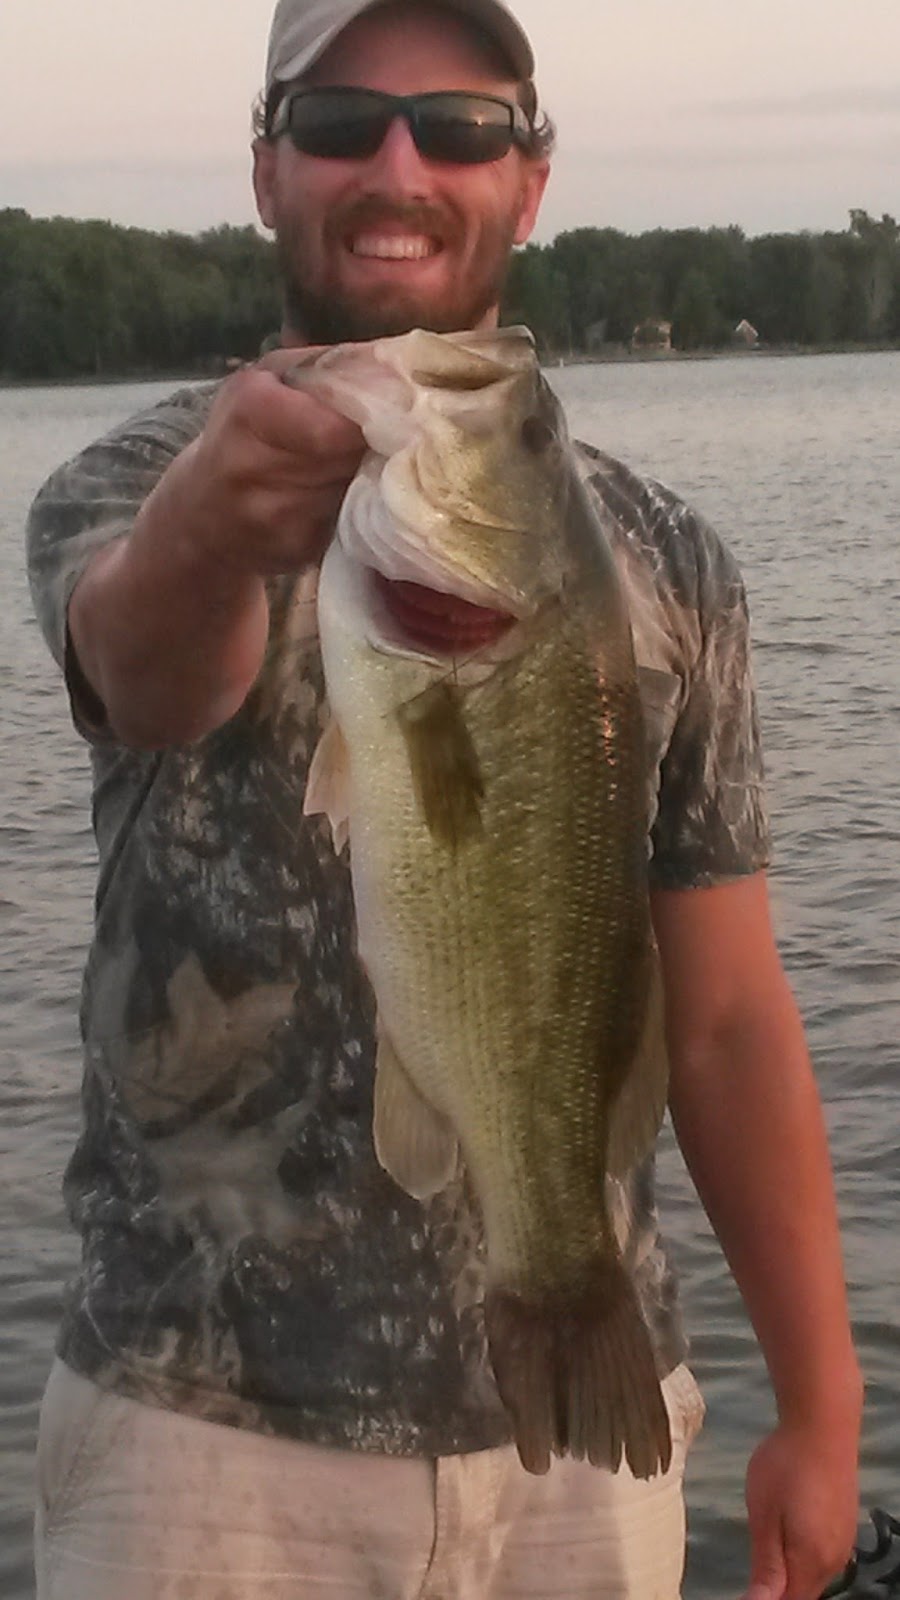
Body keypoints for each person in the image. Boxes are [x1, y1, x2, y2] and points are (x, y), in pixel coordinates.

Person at [25, 0, 863, 1596]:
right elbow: (150, 673)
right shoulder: (135, 487)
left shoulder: (666, 559)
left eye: (463, 130)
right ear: (268, 170)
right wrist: (217, 518)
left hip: (578, 1434)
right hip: (201, 1450)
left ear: (528, 183)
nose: (401, 166)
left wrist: (821, 1407)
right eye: (343, 123)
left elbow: (730, 1020)